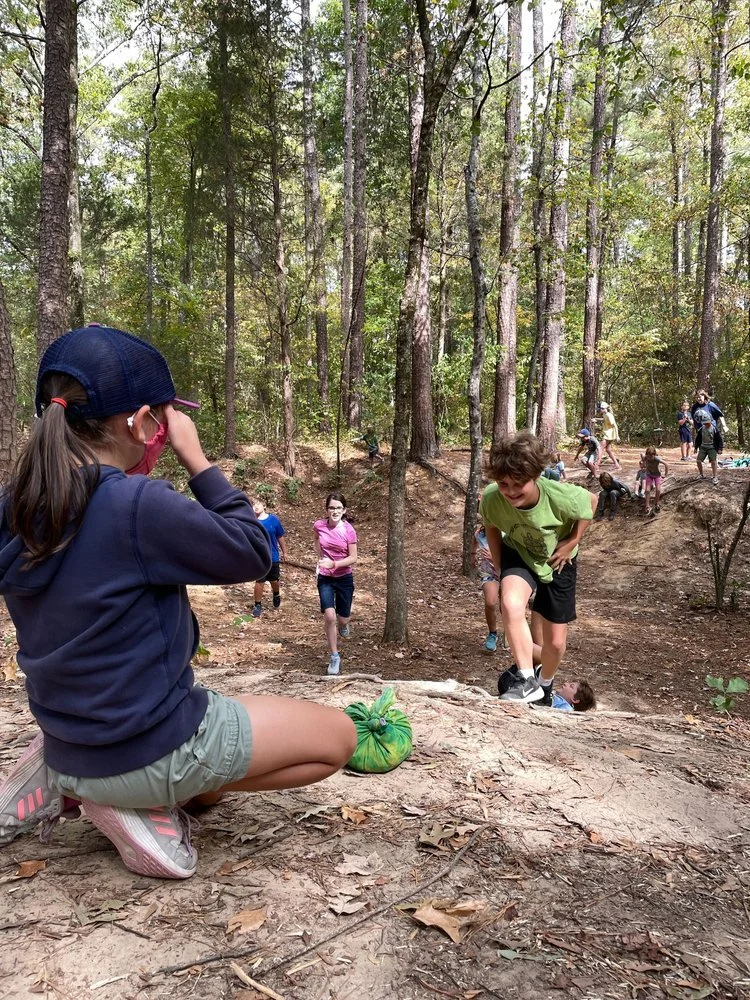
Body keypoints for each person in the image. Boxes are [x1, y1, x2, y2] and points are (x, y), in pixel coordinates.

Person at [0, 325, 357, 878]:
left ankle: (68, 780)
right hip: (143, 743)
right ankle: (125, 800)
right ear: (142, 423)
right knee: (337, 739)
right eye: (165, 420)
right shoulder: (135, 504)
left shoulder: (18, 503)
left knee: (209, 790)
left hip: (69, 733)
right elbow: (253, 551)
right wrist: (198, 460)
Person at [480, 431, 597, 705]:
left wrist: (573, 540)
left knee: (555, 644)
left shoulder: (559, 495)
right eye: (502, 483)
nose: (509, 491)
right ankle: (524, 678)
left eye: (517, 484)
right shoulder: (492, 498)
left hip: (558, 560)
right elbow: (492, 528)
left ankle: (544, 685)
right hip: (519, 552)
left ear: (535, 476)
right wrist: (500, 568)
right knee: (510, 603)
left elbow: (591, 502)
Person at [313, 493, 358, 675]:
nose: (335, 511)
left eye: (339, 508)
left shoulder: (348, 530)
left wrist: (335, 564)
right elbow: (316, 539)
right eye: (332, 507)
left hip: (344, 577)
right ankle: (334, 656)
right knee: (330, 616)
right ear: (327, 510)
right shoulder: (319, 525)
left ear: (344, 510)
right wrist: (321, 558)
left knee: (342, 618)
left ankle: (344, 624)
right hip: (325, 578)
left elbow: (353, 557)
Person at [250, 498, 288, 617]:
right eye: (254, 504)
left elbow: (280, 537)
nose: (256, 506)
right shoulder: (251, 521)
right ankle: (257, 605)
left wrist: (285, 552)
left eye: (258, 503)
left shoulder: (273, 520)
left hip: (273, 556)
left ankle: (276, 593)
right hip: (259, 557)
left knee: (274, 580)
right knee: (259, 581)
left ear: (264, 505)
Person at [472, 521, 501, 652]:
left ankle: (511, 633)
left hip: (509, 571)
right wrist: (472, 554)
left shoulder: (510, 531)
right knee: (490, 602)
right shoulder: (481, 533)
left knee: (507, 606)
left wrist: (495, 556)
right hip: (489, 572)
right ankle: (492, 634)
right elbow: (475, 538)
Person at [694, 413, 721, 485]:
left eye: (707, 423)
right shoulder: (701, 429)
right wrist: (696, 447)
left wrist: (719, 448)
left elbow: (719, 439)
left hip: (712, 447)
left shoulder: (714, 429)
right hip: (703, 447)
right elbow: (698, 439)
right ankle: (701, 474)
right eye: (705, 423)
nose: (706, 424)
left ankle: (715, 476)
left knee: (713, 462)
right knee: (698, 461)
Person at [642, 445, 668, 517]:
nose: (649, 458)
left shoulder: (657, 459)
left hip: (657, 475)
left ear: (654, 455)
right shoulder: (645, 457)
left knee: (658, 490)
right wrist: (644, 464)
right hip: (649, 475)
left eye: (651, 456)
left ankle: (656, 503)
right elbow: (641, 455)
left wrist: (665, 474)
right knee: (647, 490)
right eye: (648, 456)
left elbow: (666, 464)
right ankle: (647, 506)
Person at [595, 403, 621, 469]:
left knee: (600, 448)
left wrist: (617, 436)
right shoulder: (604, 414)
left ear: (604, 409)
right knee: (608, 450)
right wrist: (596, 419)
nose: (600, 410)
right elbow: (604, 420)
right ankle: (617, 465)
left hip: (609, 435)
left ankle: (596, 465)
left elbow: (615, 425)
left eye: (601, 409)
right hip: (608, 434)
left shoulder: (609, 415)